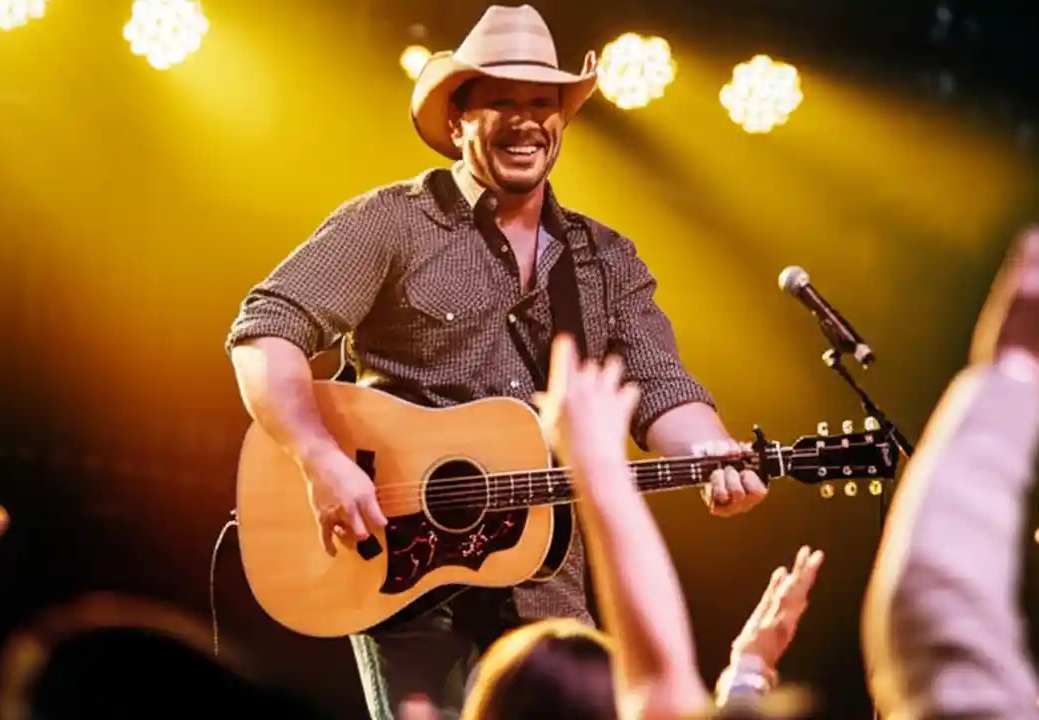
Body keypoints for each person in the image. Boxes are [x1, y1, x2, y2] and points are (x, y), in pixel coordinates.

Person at [225, 5, 766, 718]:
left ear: (562, 123)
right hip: (402, 580)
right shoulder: (391, 222)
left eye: (543, 104)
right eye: (501, 102)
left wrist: (712, 454)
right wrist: (319, 457)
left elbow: (662, 388)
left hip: (548, 585)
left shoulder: (605, 260)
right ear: (456, 122)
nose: (525, 121)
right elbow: (266, 330)